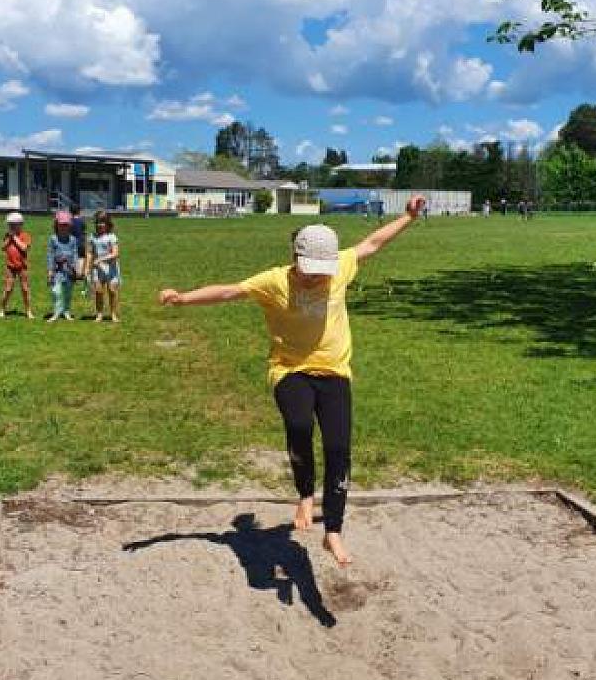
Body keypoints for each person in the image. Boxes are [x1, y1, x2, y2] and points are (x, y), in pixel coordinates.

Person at [159, 196, 427, 568]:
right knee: (300, 424)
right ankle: (305, 494)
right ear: (297, 259)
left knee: (338, 450)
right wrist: (184, 298)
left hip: (334, 373)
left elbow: (373, 242)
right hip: (291, 370)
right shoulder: (274, 281)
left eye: (323, 268)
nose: (319, 275)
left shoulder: (341, 268)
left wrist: (409, 217)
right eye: (312, 268)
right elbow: (229, 291)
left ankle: (333, 530)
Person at [0, 211, 34, 319]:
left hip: (22, 267)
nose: (12, 227)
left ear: (20, 225)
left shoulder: (25, 235)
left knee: (25, 289)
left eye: (14, 225)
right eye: (10, 225)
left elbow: (24, 247)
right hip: (10, 266)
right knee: (8, 289)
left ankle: (28, 310)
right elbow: (3, 248)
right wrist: (9, 238)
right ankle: (2, 309)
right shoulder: (7, 236)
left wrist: (14, 237)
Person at [87, 210, 120, 322]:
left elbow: (115, 254)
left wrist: (101, 259)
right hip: (97, 270)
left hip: (111, 269)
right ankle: (99, 314)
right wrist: (87, 267)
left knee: (112, 291)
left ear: (107, 224)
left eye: (102, 222)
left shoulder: (112, 236)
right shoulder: (93, 236)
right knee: (98, 291)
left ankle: (113, 314)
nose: (100, 225)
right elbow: (90, 253)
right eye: (98, 222)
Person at [47, 212, 79, 321]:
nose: (63, 227)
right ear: (56, 225)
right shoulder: (53, 239)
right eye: (61, 224)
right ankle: (56, 312)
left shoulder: (73, 240)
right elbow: (50, 255)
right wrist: (50, 270)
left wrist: (75, 267)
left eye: (66, 225)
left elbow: (75, 254)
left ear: (70, 225)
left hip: (69, 270)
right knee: (56, 291)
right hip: (57, 271)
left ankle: (66, 311)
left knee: (67, 292)